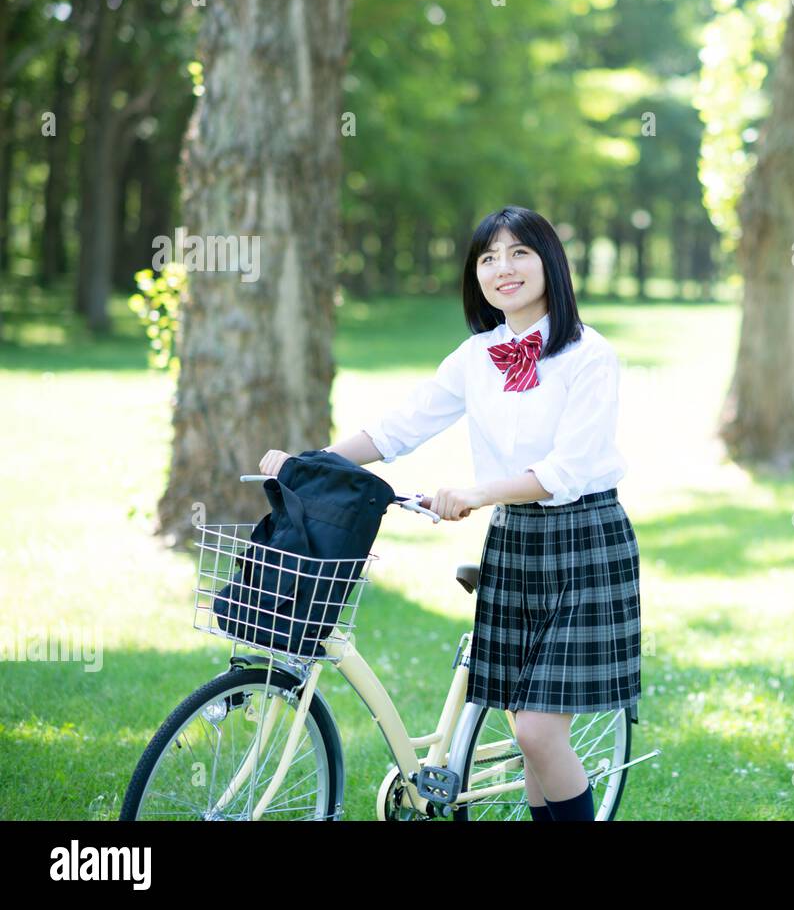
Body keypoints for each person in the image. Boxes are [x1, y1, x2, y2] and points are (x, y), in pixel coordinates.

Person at [259, 205, 641, 822]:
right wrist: (312, 462)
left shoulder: (587, 355)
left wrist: (476, 492)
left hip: (585, 541)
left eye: (519, 252)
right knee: (527, 734)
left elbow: (567, 471)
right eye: (487, 257)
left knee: (540, 734)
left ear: (551, 262)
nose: (503, 268)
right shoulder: (477, 355)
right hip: (515, 542)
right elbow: (399, 428)